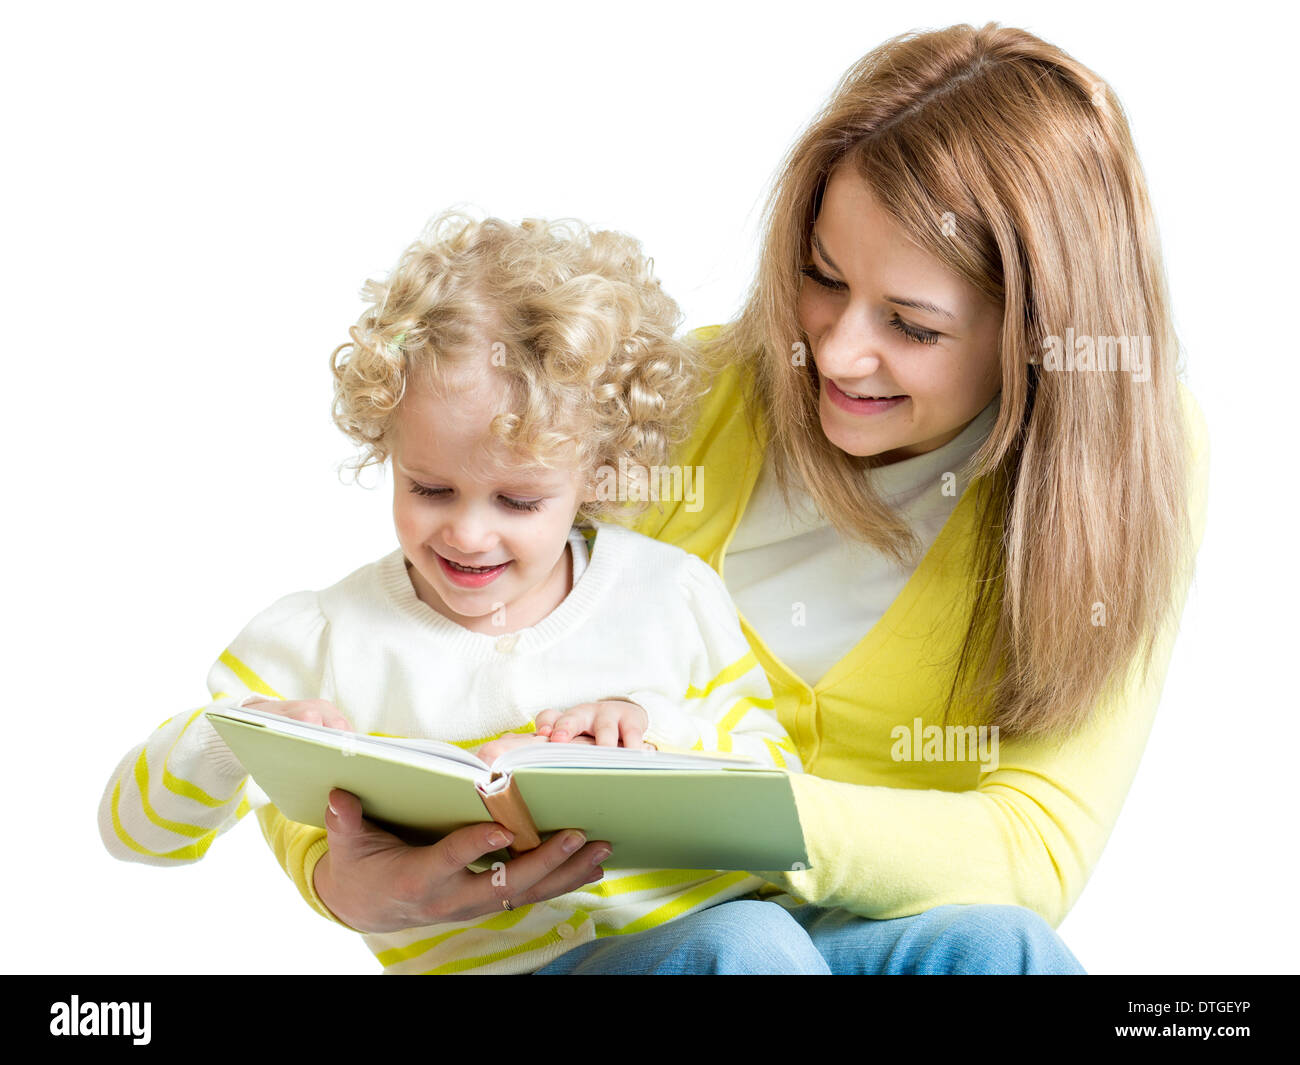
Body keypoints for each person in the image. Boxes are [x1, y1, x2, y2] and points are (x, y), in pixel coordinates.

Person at [97, 210, 819, 975]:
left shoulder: (672, 594)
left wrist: (650, 731)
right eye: (431, 487)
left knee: (958, 942)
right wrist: (229, 734)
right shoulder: (321, 638)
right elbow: (134, 833)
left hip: (735, 928)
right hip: (629, 961)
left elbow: (786, 794)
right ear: (388, 443)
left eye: (518, 501)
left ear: (598, 470)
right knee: (750, 948)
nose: (469, 534)